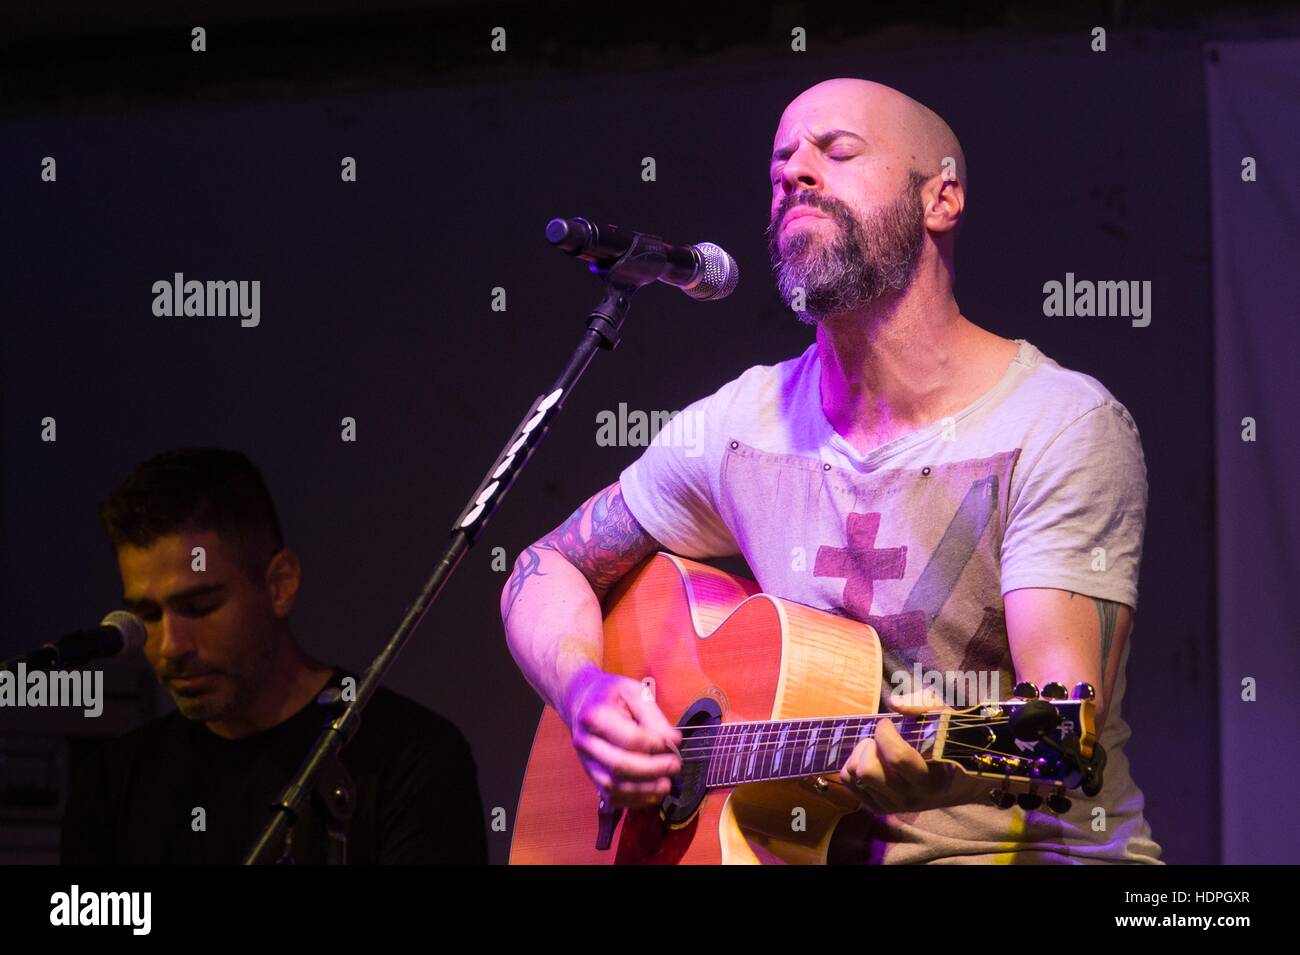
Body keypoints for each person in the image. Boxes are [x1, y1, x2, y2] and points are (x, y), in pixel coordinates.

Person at [500, 78, 1161, 864]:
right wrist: (583, 693)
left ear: (941, 198)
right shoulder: (740, 427)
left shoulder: (1058, 424)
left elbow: (1061, 730)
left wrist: (944, 767)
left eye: (837, 150)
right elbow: (545, 566)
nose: (794, 172)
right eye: (780, 162)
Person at [61, 448, 487, 864]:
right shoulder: (112, 782)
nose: (170, 645)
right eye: (147, 616)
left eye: (199, 607)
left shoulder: (410, 757)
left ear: (280, 585)